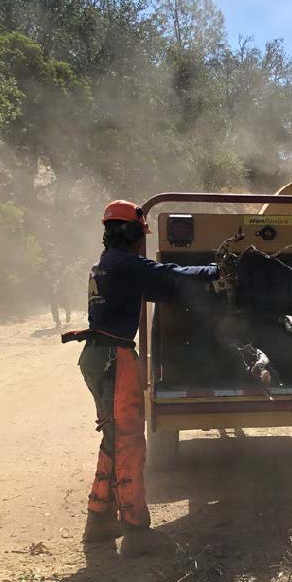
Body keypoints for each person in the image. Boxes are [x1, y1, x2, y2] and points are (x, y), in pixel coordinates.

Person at [63, 200, 219, 555]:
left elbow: (159, 289)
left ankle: (98, 519)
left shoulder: (105, 265)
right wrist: (214, 270)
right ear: (131, 232)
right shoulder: (125, 264)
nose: (141, 242)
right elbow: (171, 275)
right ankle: (135, 530)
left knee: (113, 438)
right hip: (114, 359)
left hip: (97, 356)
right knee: (129, 440)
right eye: (140, 235)